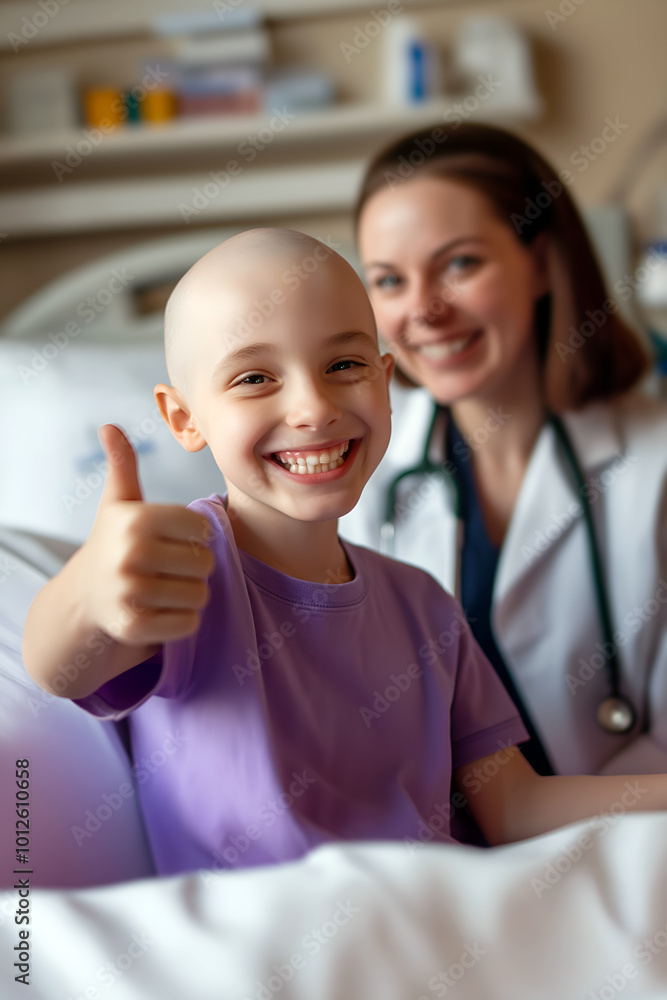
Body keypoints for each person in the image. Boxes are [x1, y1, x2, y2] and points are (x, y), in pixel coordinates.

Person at [22, 229, 667, 877]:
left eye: (344, 366)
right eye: (253, 378)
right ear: (184, 418)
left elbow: (513, 808)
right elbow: (63, 667)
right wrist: (89, 594)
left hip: (448, 929)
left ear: (385, 383)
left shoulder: (423, 605)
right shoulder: (190, 569)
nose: (312, 406)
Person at [340, 122, 667, 780]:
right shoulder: (353, 461)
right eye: (388, 280)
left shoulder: (653, 464)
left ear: (542, 262)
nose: (422, 312)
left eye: (459, 263)